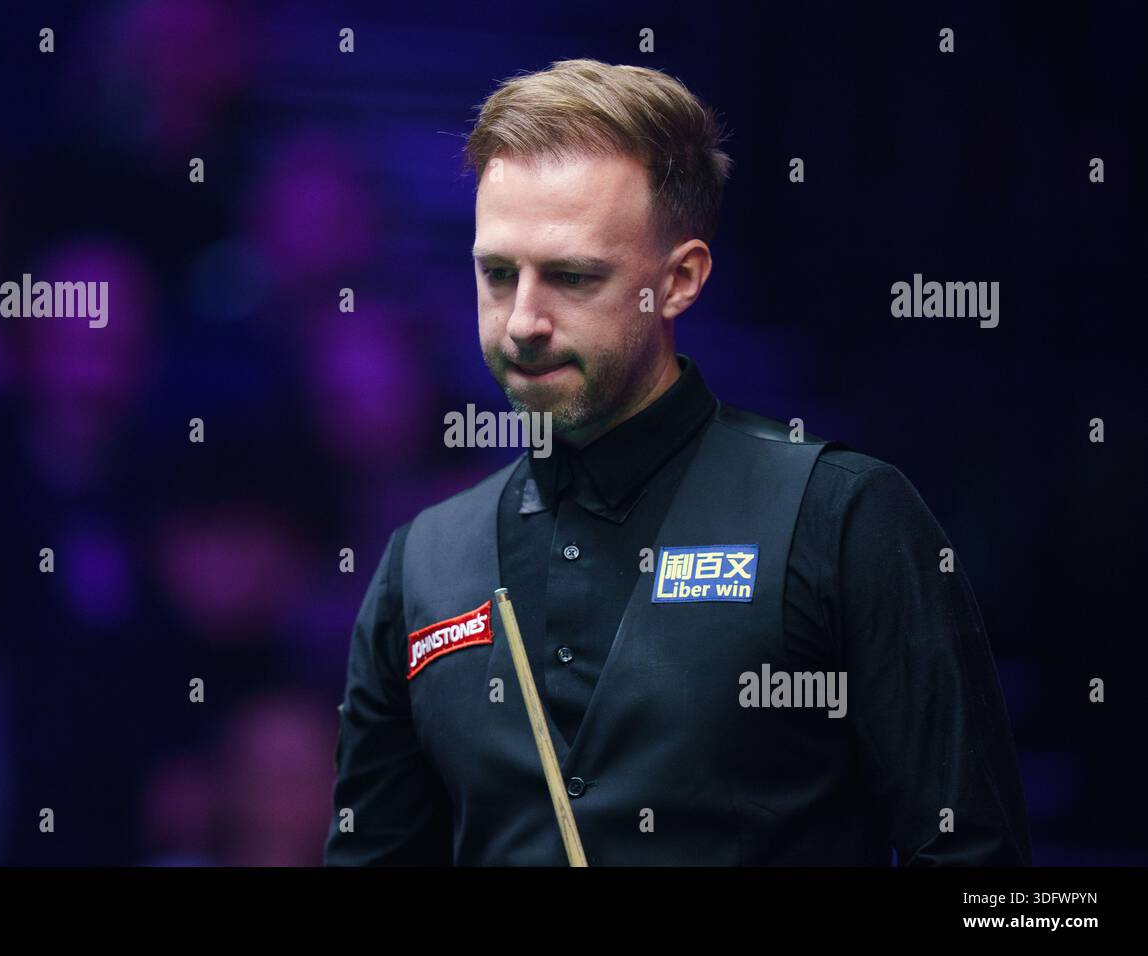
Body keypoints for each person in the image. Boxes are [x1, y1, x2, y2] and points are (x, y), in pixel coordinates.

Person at [324, 58, 1030, 866]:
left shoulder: (844, 518)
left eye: (572, 276)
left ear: (681, 279)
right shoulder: (421, 563)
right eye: (498, 274)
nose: (522, 321)